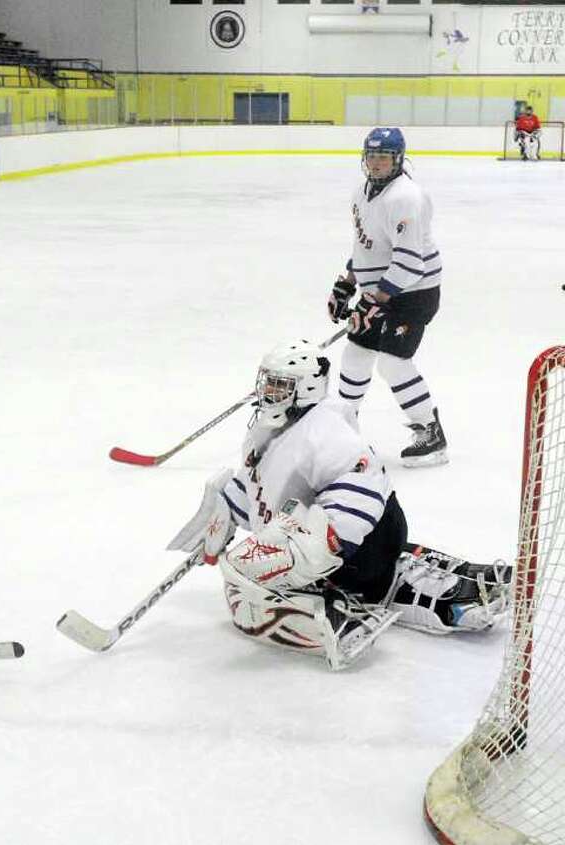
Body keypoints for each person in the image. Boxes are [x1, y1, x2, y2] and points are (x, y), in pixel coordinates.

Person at [171, 340, 512, 671]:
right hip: (342, 542)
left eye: (279, 385)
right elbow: (261, 485)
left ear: (304, 389)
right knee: (243, 570)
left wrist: (314, 545)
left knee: (248, 575)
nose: (268, 392)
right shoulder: (273, 428)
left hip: (359, 544)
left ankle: (348, 599)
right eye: (268, 382)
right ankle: (384, 579)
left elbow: (360, 486)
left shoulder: (324, 429)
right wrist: (227, 509)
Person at [326, 127, 447, 467]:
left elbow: (410, 263)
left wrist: (373, 301)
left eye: (384, 157)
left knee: (393, 362)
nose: (376, 164)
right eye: (371, 157)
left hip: (413, 293)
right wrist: (347, 284)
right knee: (355, 354)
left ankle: (431, 433)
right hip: (380, 290)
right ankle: (344, 429)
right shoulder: (362, 192)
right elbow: (367, 247)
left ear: (398, 159)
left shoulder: (405, 197)